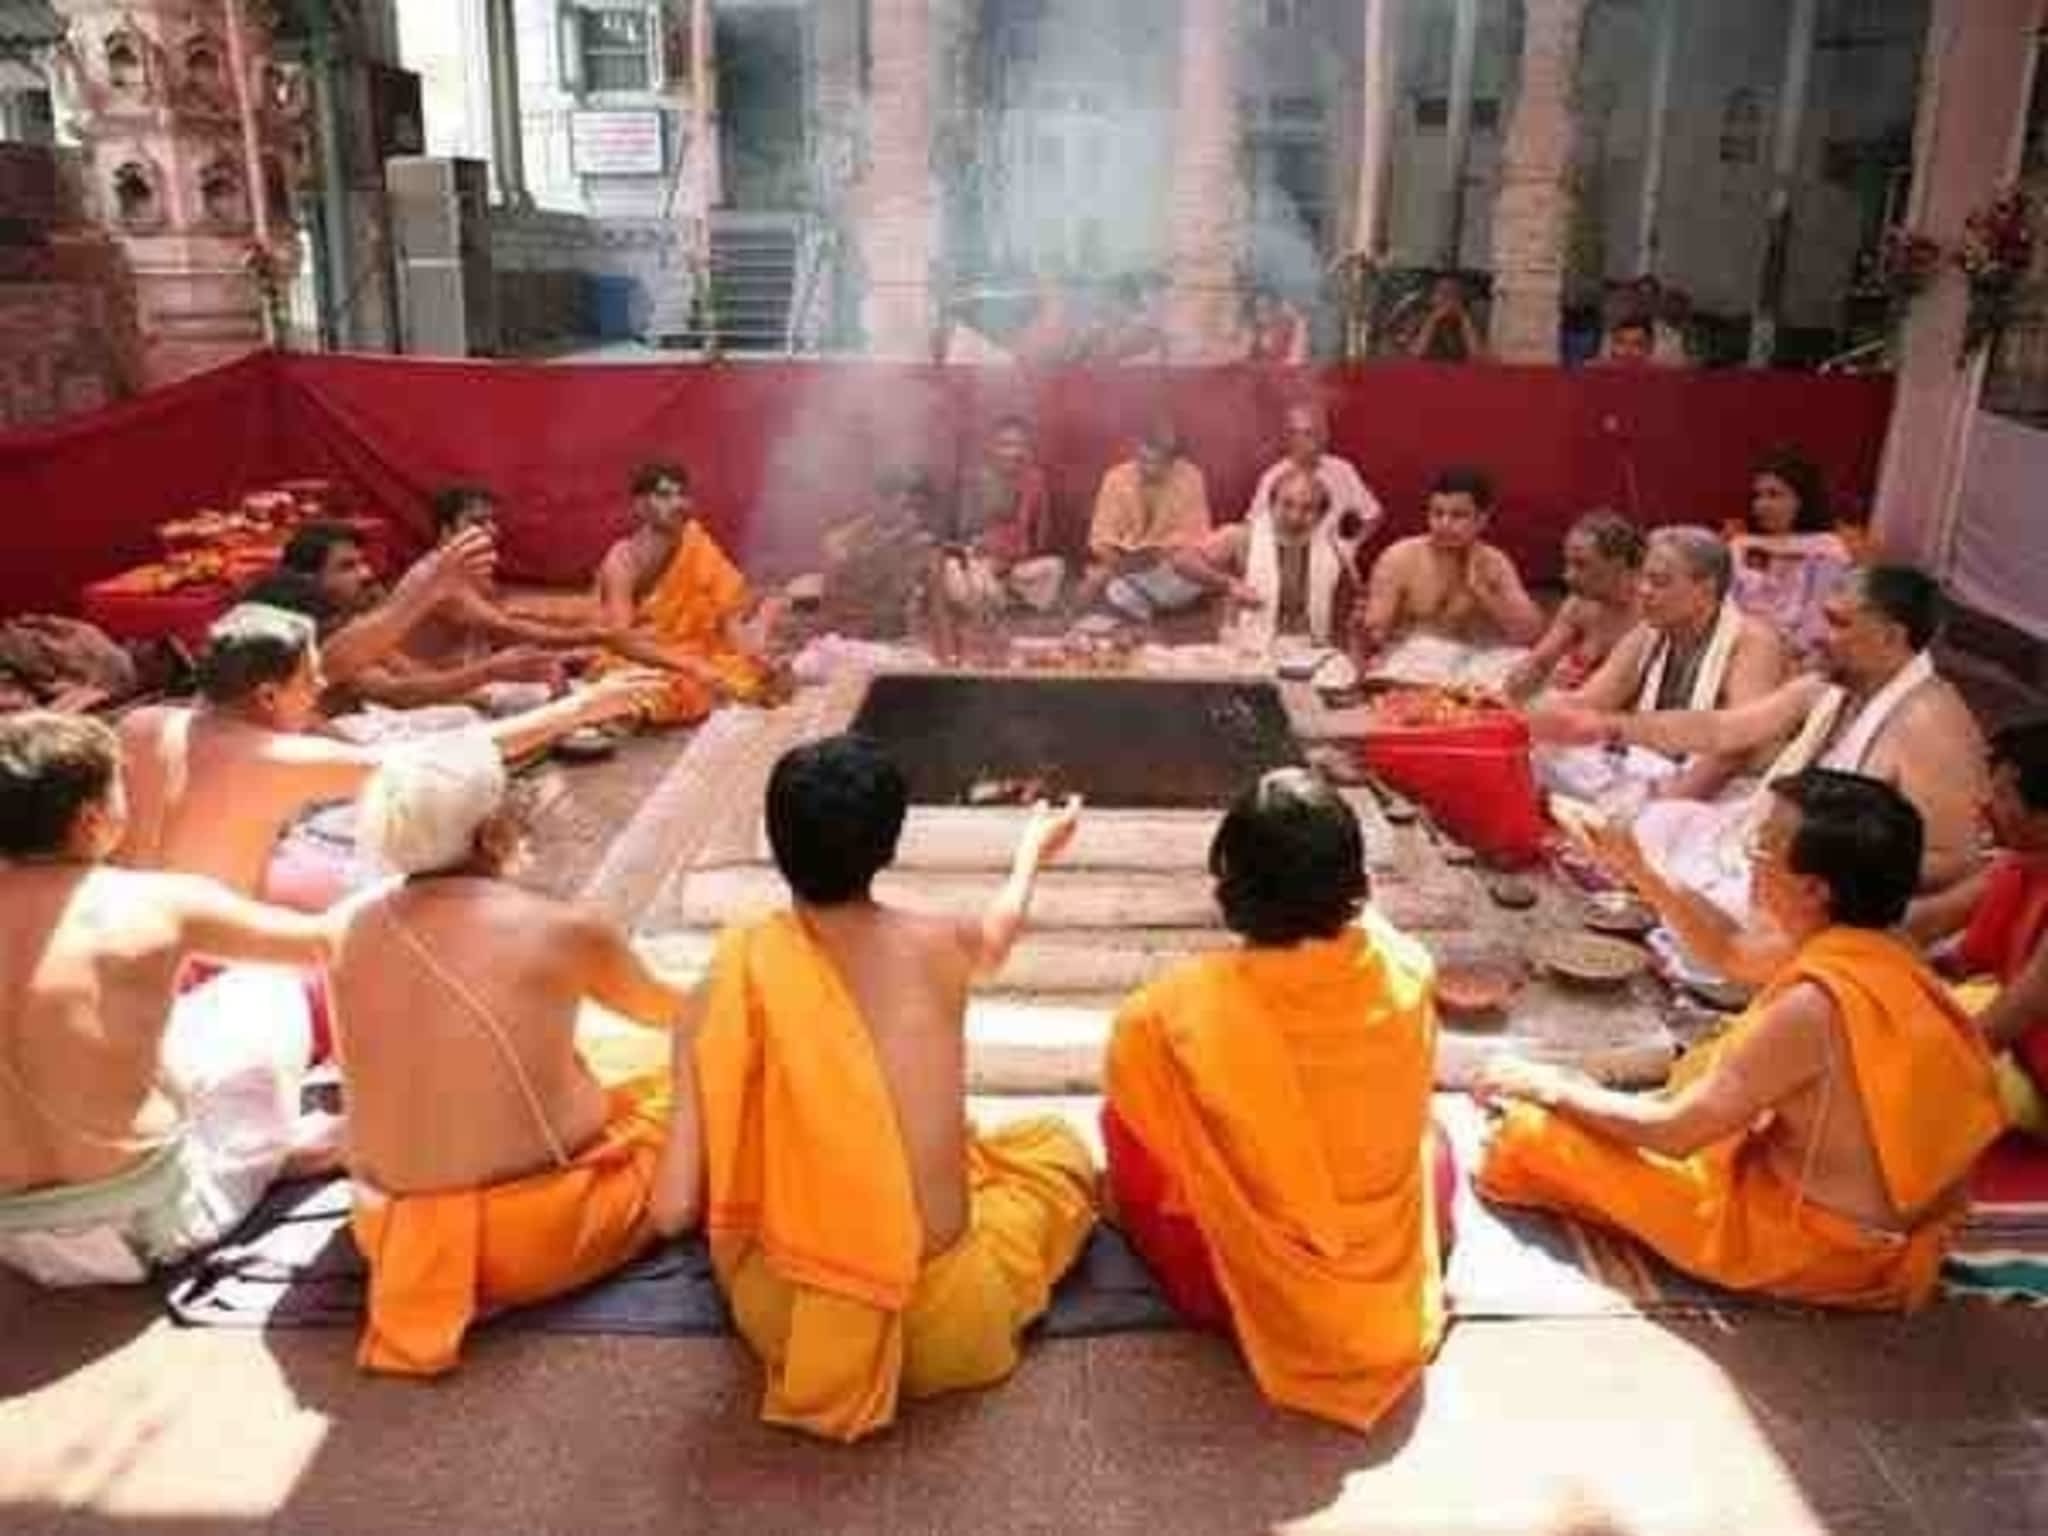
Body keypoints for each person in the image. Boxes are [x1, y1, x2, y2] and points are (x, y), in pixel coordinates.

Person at [1478, 770, 2005, 1312]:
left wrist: (1545, 1085)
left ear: (1815, 889)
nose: (1750, 857)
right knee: (1665, 1099)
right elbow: (1730, 950)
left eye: (1765, 845)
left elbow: (1674, 1133)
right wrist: (1635, 863)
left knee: (1528, 1134)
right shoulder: (1886, 948)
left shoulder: (1813, 1006)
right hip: (1875, 1230)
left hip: (1819, 1251)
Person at [696, 735, 1096, 1441]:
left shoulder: (746, 960)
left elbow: (706, 1165)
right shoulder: (940, 943)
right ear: (888, 847)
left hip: (798, 1319)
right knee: (1053, 1148)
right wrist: (1032, 851)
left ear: (776, 842)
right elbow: (1000, 934)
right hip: (950, 1327)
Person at [332, 735, 701, 1375]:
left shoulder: (350, 927)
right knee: (690, 1073)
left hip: (383, 1228)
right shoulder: (560, 929)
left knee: (588, 1048)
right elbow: (674, 1012)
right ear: (492, 833)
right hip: (535, 1238)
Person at [1103, 768, 1448, 1430]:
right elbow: (1373, 928)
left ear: (1232, 888)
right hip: (1386, 1272)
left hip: (1233, 1283)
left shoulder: (1175, 1009)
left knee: (1126, 1117)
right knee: (1433, 1147)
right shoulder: (1408, 970)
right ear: (1357, 883)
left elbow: (1144, 1132)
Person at [0, 712, 340, 1286]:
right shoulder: (156, 902)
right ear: (90, 819)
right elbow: (326, 945)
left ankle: (251, 1150)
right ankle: (274, 1151)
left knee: (170, 1028)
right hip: (149, 1227)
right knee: (266, 991)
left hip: (13, 1237)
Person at [1531, 566, 1987, 964]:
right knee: (1658, 823)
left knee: (1697, 918)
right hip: (1775, 851)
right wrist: (1609, 726)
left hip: (1826, 891)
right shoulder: (1832, 684)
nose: (1817, 634)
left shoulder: (1930, 724)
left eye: (1838, 623)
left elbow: (1954, 862)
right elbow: (1724, 729)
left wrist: (1812, 864)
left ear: (1891, 637)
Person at [115, 604, 665, 900]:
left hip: (133, 920)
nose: (320, 688)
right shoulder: (275, 759)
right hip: (220, 951)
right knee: (415, 895)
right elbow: (451, 752)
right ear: (267, 695)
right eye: (310, 679)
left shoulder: (140, 724)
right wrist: (579, 709)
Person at [1539, 526, 1787, 811]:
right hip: (1657, 770)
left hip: (1731, 790)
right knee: (1548, 752)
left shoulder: (1752, 642)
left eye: (1659, 582)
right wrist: (1531, 719)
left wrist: (1666, 802)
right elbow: (1588, 702)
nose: (1643, 591)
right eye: (1644, 578)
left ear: (1706, 589)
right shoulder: (1648, 633)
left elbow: (1738, 748)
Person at [1909, 719, 2048, 1135]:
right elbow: (1930, 921)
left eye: (2003, 795)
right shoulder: (2018, 865)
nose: (1985, 804)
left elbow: (2007, 1019)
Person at [277, 522, 569, 713]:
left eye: (363, 562)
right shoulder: (305, 632)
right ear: (446, 531)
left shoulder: (353, 617)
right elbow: (397, 692)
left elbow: (411, 673)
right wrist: (492, 675)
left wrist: (492, 696)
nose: (366, 574)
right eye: (347, 567)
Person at [592, 462, 782, 725]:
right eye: (664, 495)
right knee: (653, 688)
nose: (678, 503)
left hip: (697, 649)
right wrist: (690, 665)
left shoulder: (696, 543)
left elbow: (729, 619)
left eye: (682, 494)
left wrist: (753, 655)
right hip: (646, 656)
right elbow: (620, 639)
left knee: (752, 674)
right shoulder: (623, 560)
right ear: (641, 506)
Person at [1354, 467, 1545, 686]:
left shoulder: (1494, 562)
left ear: (1482, 520)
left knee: (1522, 661)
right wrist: (1362, 629)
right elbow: (1375, 635)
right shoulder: (1400, 558)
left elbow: (1531, 635)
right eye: (1437, 513)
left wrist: (1487, 594)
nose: (1444, 524)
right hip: (1412, 661)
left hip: (1472, 663)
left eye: (1458, 515)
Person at [1173, 466, 1359, 650]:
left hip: (1311, 651)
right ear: (1271, 505)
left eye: (1308, 509)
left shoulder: (1335, 552)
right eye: (1287, 504)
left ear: (1321, 516)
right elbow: (1181, 560)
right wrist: (1228, 584)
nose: (1295, 516)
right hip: (1246, 649)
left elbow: (1347, 613)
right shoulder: (1242, 538)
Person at [1077, 422, 1215, 624]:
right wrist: (1120, 560)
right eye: (1142, 460)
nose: (1147, 468)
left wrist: (1160, 552)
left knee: (1194, 580)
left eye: (1157, 463)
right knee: (1118, 590)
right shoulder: (1115, 478)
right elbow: (1100, 535)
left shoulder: (1191, 477)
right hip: (1124, 568)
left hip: (1171, 568)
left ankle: (1151, 606)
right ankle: (1154, 608)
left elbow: (1198, 534)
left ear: (1173, 462)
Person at [1502, 511, 1645, 701]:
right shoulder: (1580, 604)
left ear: (1617, 565)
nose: (1568, 575)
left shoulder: (1649, 611)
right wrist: (1536, 680)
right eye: (1568, 563)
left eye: (1581, 565)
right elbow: (1538, 663)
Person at [937, 416, 1067, 623]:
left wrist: (1014, 557)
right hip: (981, 562)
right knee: (964, 579)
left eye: (1020, 445)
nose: (1012, 452)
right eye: (1005, 445)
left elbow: (1038, 536)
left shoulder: (1035, 480)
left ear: (1028, 449)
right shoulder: (977, 480)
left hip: (1014, 567)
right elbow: (963, 536)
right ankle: (997, 604)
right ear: (992, 448)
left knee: (1054, 568)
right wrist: (985, 553)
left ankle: (1012, 604)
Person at [1729, 452, 1854, 663]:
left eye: (1774, 495)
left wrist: (1786, 651)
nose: (1762, 504)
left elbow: (1820, 614)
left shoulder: (1826, 548)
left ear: (1802, 500)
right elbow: (1727, 604)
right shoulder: (1740, 545)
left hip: (1798, 654)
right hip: (1739, 645)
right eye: (1758, 496)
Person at [815, 466, 948, 642]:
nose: (914, 517)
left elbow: (938, 611)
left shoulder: (924, 548)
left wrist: (948, 655)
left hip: (896, 643)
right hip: (847, 642)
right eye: (906, 507)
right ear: (879, 501)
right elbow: (831, 605)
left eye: (920, 510)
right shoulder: (841, 543)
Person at [1243, 401, 1384, 553]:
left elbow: (1374, 515)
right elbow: (1250, 526)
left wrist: (1351, 546)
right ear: (1288, 438)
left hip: (1329, 559)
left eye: (1311, 433)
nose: (1302, 441)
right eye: (1295, 433)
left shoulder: (1342, 470)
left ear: (1325, 436)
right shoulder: (1273, 476)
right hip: (1285, 557)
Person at [1406, 273, 1486, 362]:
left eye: (1455, 294)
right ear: (1431, 298)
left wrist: (1464, 319)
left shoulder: (1470, 320)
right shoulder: (1420, 318)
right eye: (1443, 293)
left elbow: (1479, 357)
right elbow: (1416, 354)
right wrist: (1433, 321)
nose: (1449, 299)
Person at [1244, 284, 1309, 365]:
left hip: (1284, 369)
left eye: (1268, 308)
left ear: (1277, 308)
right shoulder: (1255, 333)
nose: (1262, 315)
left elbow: (1296, 360)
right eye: (1258, 310)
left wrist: (1299, 321)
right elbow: (1245, 359)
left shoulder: (1287, 332)